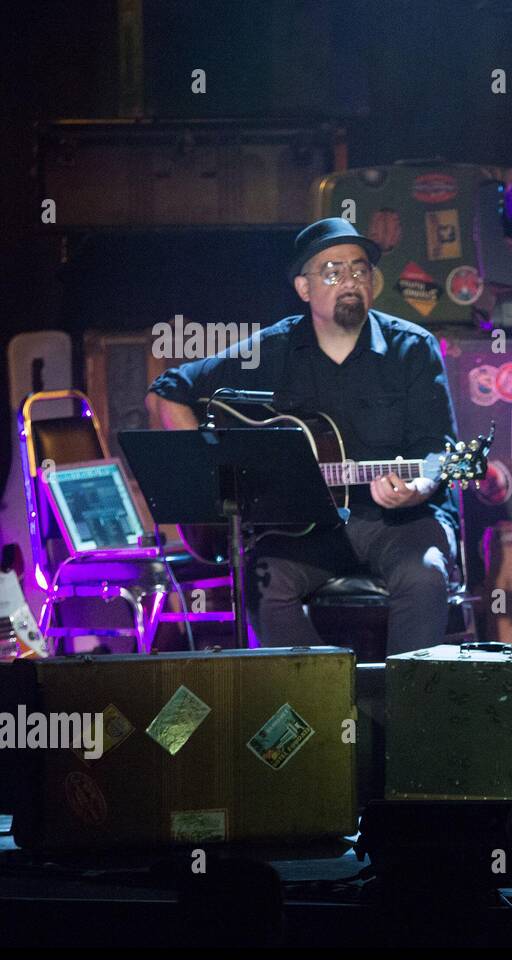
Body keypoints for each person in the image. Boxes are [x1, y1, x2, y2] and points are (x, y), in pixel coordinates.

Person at [146, 218, 460, 654]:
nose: (349, 281)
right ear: (303, 288)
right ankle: (327, 706)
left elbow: (439, 452)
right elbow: (168, 391)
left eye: (359, 270)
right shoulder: (273, 348)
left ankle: (406, 712)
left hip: (401, 523)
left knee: (424, 575)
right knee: (261, 583)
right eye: (332, 271)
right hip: (310, 529)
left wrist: (417, 487)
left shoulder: (413, 348)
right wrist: (209, 474)